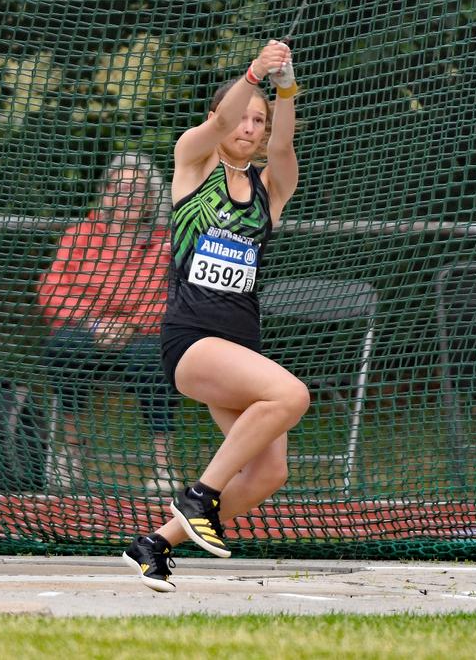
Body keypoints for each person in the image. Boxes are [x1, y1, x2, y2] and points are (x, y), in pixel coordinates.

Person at [122, 40, 309, 592]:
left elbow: (284, 145)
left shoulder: (268, 192)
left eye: (260, 120)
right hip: (191, 341)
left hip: (239, 350)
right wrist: (254, 72)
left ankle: (153, 544)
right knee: (292, 397)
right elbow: (226, 113)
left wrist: (285, 86)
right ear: (219, 115)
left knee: (271, 472)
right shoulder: (192, 161)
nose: (249, 126)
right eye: (242, 117)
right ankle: (200, 494)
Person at [35, 153, 178, 494]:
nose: (127, 196)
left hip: (143, 338)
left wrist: (129, 325)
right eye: (120, 186)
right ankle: (71, 451)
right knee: (63, 348)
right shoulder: (80, 234)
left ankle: (164, 465)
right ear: (106, 192)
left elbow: (170, 301)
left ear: (150, 199)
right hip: (88, 334)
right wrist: (94, 322)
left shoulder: (166, 242)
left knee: (156, 361)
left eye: (137, 189)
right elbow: (51, 289)